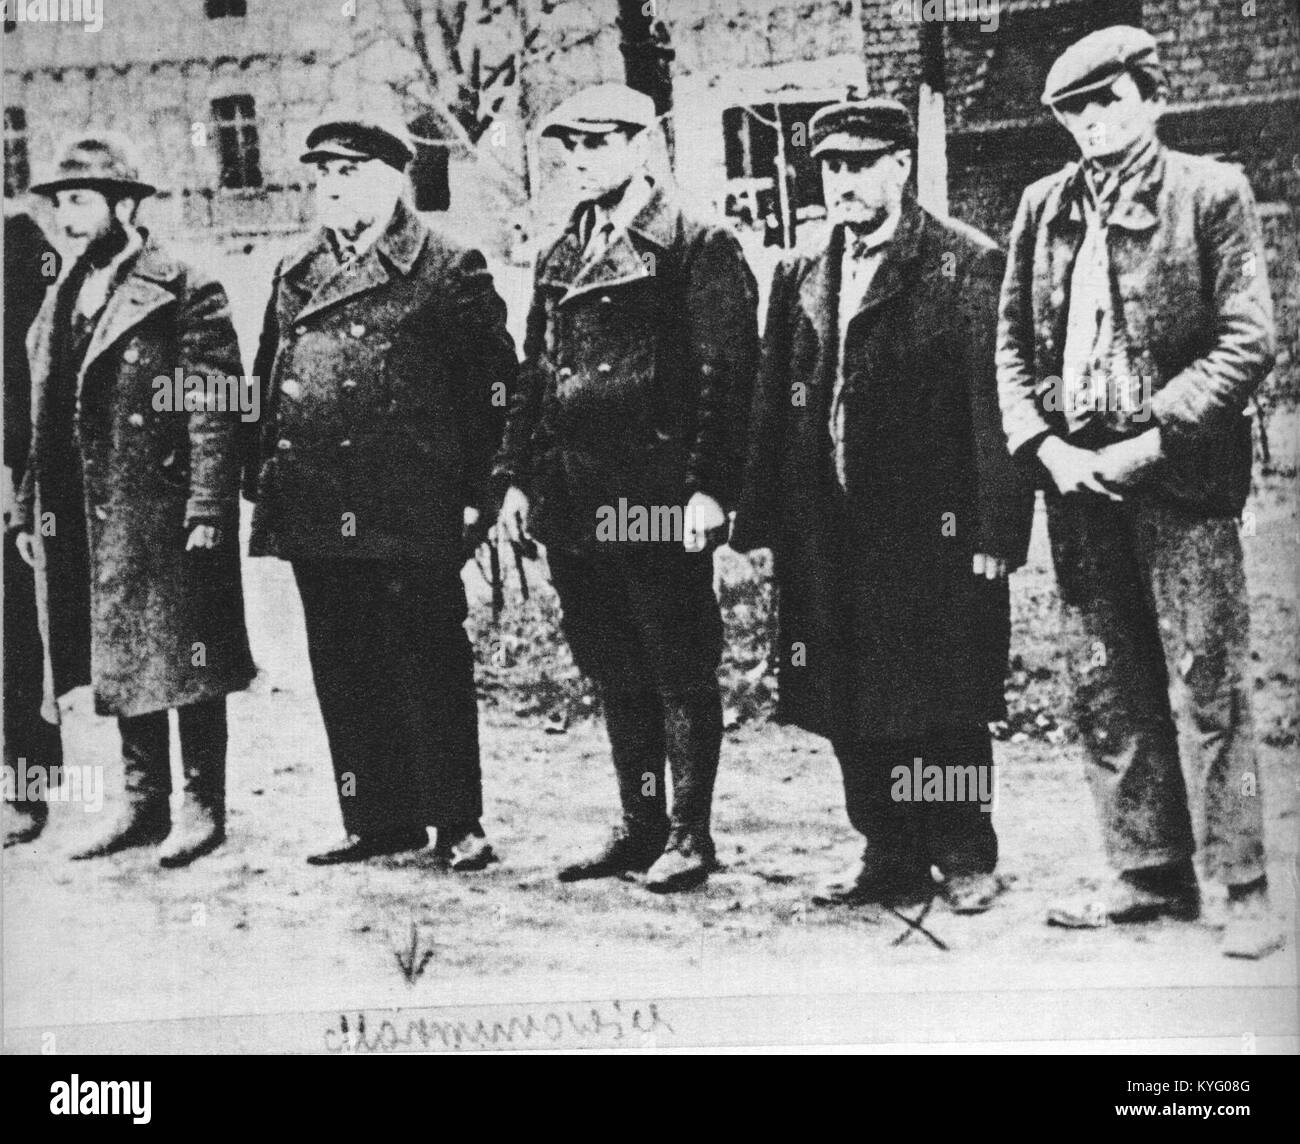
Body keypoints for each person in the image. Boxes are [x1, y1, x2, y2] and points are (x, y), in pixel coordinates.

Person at [996, 27, 1281, 957]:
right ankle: (1147, 871)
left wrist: (1154, 436)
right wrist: (1045, 444)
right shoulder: (1042, 208)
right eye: (1074, 110)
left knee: (1209, 687)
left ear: (1151, 98)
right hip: (1078, 486)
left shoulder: (1210, 193)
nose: (1091, 122)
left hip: (1182, 481)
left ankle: (1243, 884)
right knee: (1107, 687)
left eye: (1108, 101)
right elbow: (1010, 347)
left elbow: (1246, 342)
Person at [731, 98, 1033, 914]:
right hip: (825, 529)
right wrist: (755, 515)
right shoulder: (800, 270)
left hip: (929, 529)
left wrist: (996, 527)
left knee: (946, 696)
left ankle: (965, 851)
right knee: (847, 693)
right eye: (833, 166)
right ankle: (888, 851)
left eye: (863, 164)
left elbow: (992, 403)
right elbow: (772, 398)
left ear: (902, 164)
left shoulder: (964, 261)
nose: (846, 182)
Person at [494, 84, 759, 892]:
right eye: (568, 149)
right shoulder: (561, 252)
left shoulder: (697, 243)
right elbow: (536, 375)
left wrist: (709, 491)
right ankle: (639, 825)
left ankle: (689, 833)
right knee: (614, 664)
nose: (579, 161)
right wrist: (515, 477)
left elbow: (729, 376)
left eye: (597, 144)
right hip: (574, 496)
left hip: (654, 494)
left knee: (676, 662)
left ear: (642, 146)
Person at [244, 114, 517, 868]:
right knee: (343, 659)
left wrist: (480, 493)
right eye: (323, 175)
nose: (332, 188)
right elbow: (265, 381)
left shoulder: (448, 265)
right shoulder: (294, 269)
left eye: (349, 173)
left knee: (429, 657)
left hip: (410, 503)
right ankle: (376, 818)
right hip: (316, 499)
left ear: (392, 181)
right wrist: (258, 473)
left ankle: (458, 822)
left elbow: (496, 390)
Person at [12, 135, 255, 866]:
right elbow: (45, 419)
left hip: (165, 503)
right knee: (120, 651)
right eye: (58, 204)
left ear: (124, 205)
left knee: (188, 654)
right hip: (91, 506)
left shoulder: (184, 284)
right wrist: (30, 508)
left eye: (81, 201)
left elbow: (217, 401)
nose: (66, 218)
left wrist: (209, 506)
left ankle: (203, 804)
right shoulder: (66, 292)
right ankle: (143, 805)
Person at [3, 210, 62, 848]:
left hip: (11, 479)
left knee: (15, 641)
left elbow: (34, 373)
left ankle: (29, 788)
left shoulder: (20, 245)